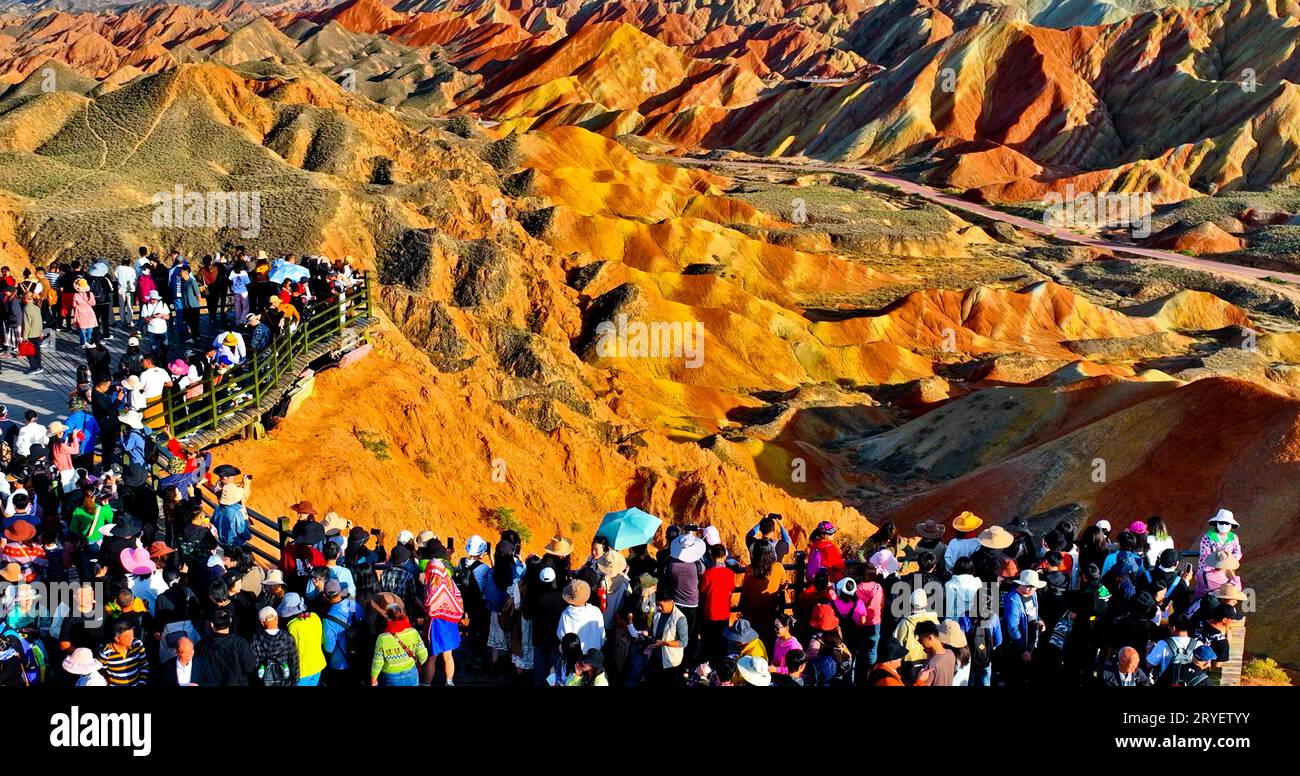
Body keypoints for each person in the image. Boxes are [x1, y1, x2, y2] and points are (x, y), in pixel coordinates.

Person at [421, 556, 464, 686]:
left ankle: (426, 684)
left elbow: (429, 607)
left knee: (432, 656)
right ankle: (449, 682)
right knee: (448, 655)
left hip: (436, 624)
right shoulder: (451, 584)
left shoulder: (432, 586)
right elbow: (458, 602)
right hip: (450, 623)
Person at [1000, 569, 1046, 685]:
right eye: (1028, 586)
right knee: (1016, 675)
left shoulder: (1033, 594)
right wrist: (1022, 649)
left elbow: (1033, 612)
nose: (1032, 589)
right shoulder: (1013, 600)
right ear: (1020, 584)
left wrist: (1039, 620)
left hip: (1030, 640)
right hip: (1017, 644)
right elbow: (1012, 628)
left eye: (1034, 586)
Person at [370, 599, 428, 686]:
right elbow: (423, 656)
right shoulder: (413, 632)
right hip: (411, 673)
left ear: (388, 618)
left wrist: (373, 681)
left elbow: (377, 663)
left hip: (391, 677)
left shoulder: (382, 638)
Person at [195, 609, 256, 686]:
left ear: (212, 624)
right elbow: (249, 667)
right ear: (230, 621)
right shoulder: (240, 643)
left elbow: (198, 669)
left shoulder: (202, 645)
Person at [279, 592, 325, 686]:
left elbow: (290, 653)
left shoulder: (292, 627)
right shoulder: (315, 617)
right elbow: (321, 641)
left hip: (302, 671)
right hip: (318, 665)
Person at [646, 587, 689, 685]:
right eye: (658, 604)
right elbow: (653, 629)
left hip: (670, 662)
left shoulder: (680, 618)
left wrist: (664, 643)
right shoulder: (658, 612)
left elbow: (683, 642)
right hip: (656, 658)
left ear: (670, 601)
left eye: (661, 605)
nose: (659, 608)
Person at [251, 606, 299, 686]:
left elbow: (254, 662)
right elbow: (294, 662)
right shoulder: (288, 637)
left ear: (262, 623)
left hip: (264, 681)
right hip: (284, 680)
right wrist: (295, 681)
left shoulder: (256, 638)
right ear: (277, 618)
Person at [557, 579, 604, 652]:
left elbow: (562, 636)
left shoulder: (566, 614)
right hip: (593, 655)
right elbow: (602, 635)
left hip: (574, 655)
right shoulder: (596, 611)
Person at [98, 620, 149, 686]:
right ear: (117, 639)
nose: (131, 639)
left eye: (132, 635)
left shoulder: (137, 644)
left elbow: (144, 665)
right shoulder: (106, 653)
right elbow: (100, 672)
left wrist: (142, 683)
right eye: (127, 637)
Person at [914, 620, 955, 686]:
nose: (920, 643)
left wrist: (920, 679)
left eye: (921, 640)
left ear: (930, 637)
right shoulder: (951, 653)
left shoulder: (932, 664)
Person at [70, 277, 97, 346]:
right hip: (89, 311)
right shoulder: (90, 294)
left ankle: (83, 343)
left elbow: (74, 305)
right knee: (90, 327)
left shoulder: (76, 295)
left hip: (80, 312)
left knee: (82, 328)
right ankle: (89, 341)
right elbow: (93, 303)